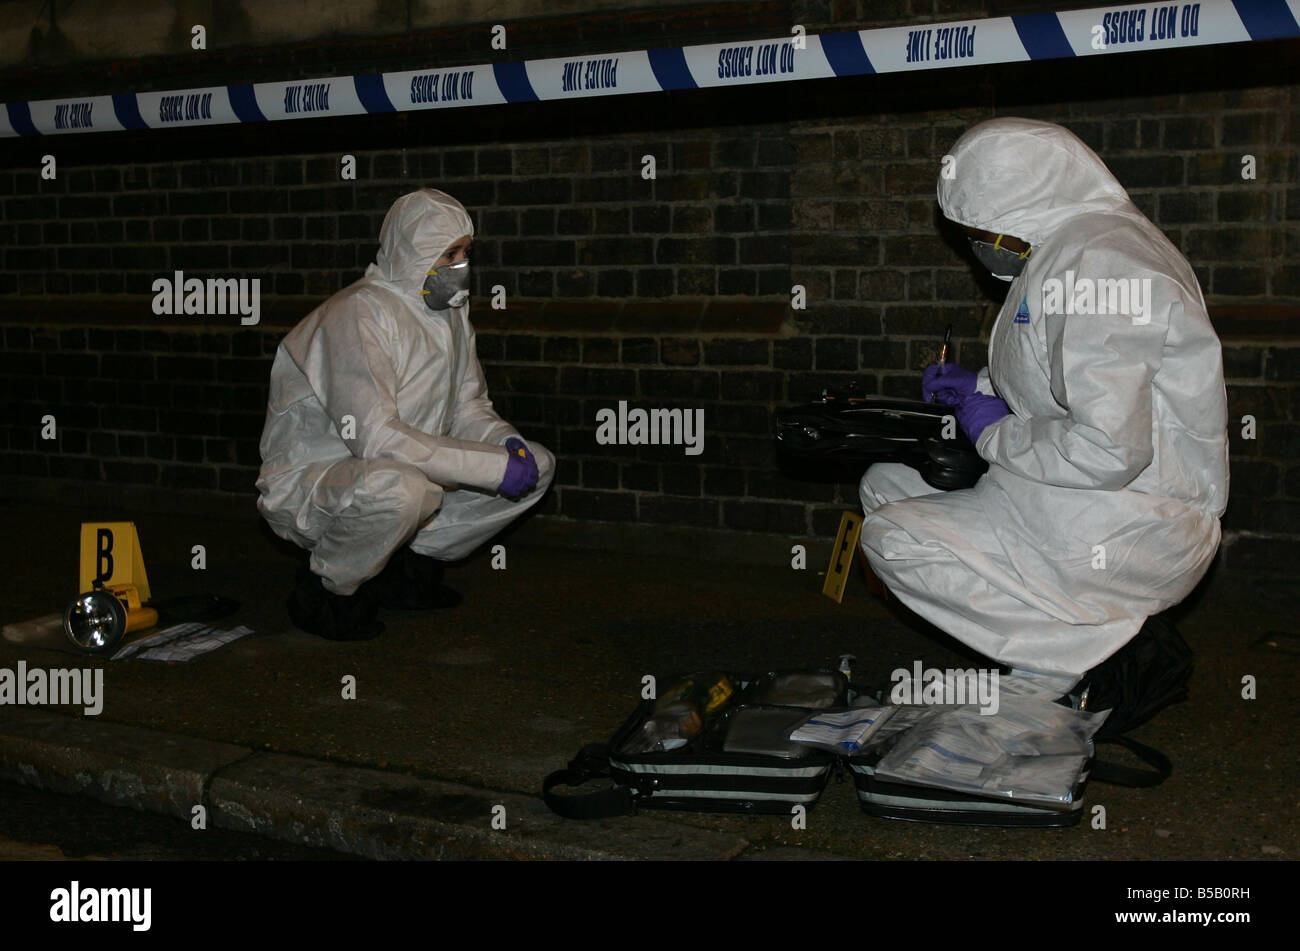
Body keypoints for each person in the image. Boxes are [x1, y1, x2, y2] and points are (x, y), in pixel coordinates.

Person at [859, 118, 1228, 695]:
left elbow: (1108, 447)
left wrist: (991, 433)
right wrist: (979, 389)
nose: (980, 246)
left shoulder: (1104, 266)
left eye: (983, 230)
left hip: (1126, 519)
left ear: (1020, 205)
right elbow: (1054, 378)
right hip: (1077, 497)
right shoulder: (1071, 247)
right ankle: (1057, 643)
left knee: (893, 537)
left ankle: (1094, 660)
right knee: (889, 483)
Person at [256, 188, 554, 641]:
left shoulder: (449, 313)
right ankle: (327, 590)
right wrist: (490, 467)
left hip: (403, 468)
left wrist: (505, 443)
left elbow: (468, 405)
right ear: (413, 250)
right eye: (448, 252)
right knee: (402, 490)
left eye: (465, 252)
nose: (460, 264)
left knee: (539, 464)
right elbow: (373, 436)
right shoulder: (356, 315)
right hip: (318, 478)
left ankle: (408, 568)